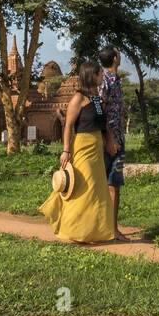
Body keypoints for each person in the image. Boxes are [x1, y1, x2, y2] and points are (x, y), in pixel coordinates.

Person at [39, 57, 118, 244]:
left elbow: (103, 123)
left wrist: (110, 141)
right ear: (92, 76)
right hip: (81, 145)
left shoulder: (97, 99)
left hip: (96, 145)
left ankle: (93, 232)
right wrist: (66, 150)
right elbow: (67, 125)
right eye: (99, 73)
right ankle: (73, 230)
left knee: (97, 189)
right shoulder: (78, 98)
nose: (102, 76)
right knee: (84, 188)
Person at [98, 45, 128, 241]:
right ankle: (108, 229)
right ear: (115, 58)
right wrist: (108, 138)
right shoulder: (105, 81)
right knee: (106, 183)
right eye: (119, 53)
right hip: (108, 140)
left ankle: (111, 228)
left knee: (113, 184)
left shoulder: (114, 80)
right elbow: (99, 108)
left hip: (116, 138)